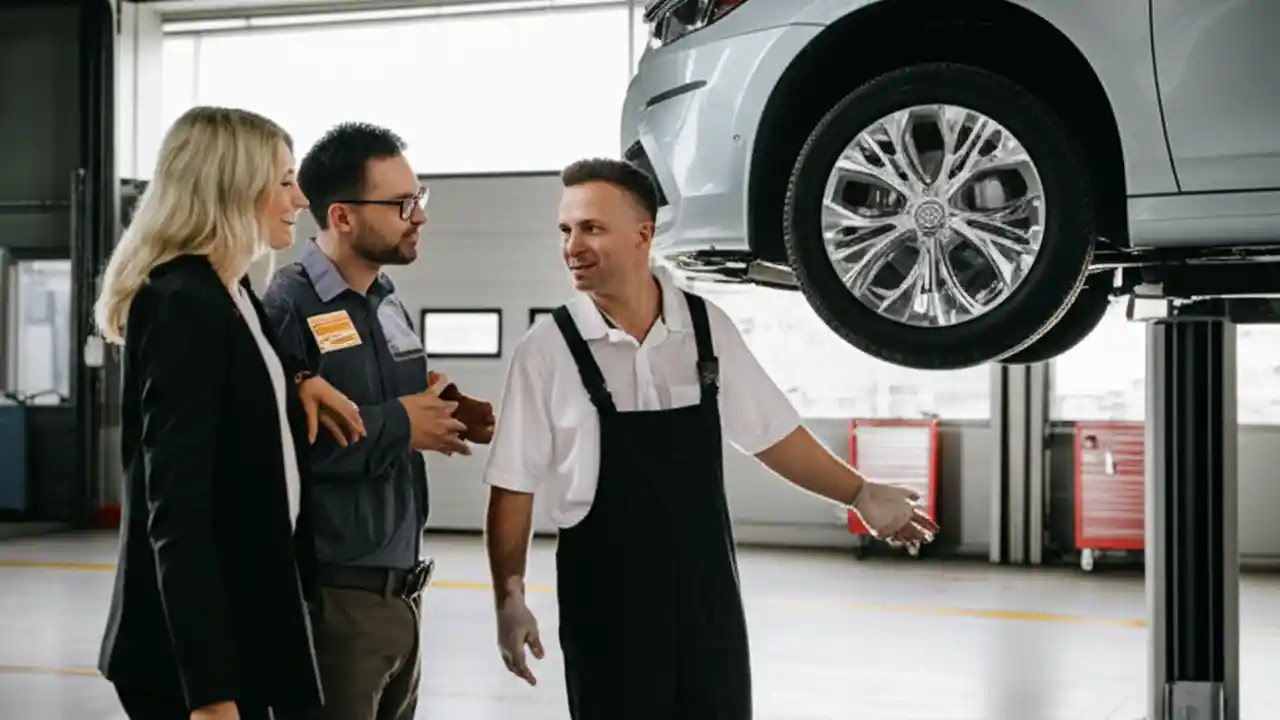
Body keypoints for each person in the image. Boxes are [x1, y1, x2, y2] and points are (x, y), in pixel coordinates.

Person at [482, 158, 940, 719]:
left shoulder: (705, 329)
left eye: (591, 228)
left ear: (642, 234)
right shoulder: (547, 347)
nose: (572, 245)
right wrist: (510, 598)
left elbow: (771, 433)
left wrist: (860, 493)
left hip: (707, 601)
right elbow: (513, 484)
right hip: (606, 603)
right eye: (565, 229)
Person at [95, 106, 368, 720]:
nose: (299, 197)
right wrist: (211, 691)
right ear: (231, 184)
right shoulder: (180, 302)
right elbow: (177, 510)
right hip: (195, 654)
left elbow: (238, 381)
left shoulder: (232, 291)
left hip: (256, 619)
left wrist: (298, 381)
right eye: (284, 180)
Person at [261, 121, 494, 720]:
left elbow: (391, 395)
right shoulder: (288, 308)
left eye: (419, 199)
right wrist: (400, 425)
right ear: (341, 217)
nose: (419, 216)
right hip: (336, 600)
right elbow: (279, 451)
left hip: (404, 595)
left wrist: (445, 406)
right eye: (401, 204)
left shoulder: (385, 298)